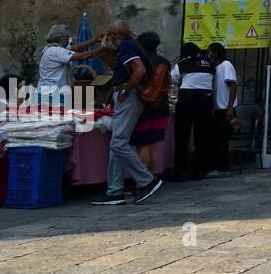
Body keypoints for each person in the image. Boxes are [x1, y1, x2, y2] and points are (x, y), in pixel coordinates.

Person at [91, 21, 162, 206]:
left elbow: (139, 69)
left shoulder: (127, 47)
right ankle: (114, 191)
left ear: (114, 35)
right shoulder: (131, 45)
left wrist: (124, 91)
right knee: (117, 143)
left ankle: (147, 181)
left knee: (118, 142)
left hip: (129, 98)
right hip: (129, 97)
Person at [170, 41, 216, 180]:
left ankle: (180, 170)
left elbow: (171, 78)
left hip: (187, 99)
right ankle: (200, 169)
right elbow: (212, 78)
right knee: (202, 135)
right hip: (205, 99)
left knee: (182, 134)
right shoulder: (210, 63)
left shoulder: (183, 63)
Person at [35, 23, 103, 107]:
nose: (68, 41)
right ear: (62, 39)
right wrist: (102, 49)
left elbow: (76, 47)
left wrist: (94, 41)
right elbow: (82, 56)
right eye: (67, 39)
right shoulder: (57, 51)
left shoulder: (49, 49)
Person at [132, 32, 171, 174]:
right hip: (160, 106)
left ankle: (143, 183)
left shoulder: (138, 61)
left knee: (142, 145)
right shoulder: (165, 62)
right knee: (153, 145)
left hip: (143, 106)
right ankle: (151, 178)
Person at [209, 42, 237, 176]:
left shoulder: (226, 65)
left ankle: (222, 167)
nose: (209, 55)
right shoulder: (215, 67)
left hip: (225, 108)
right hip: (218, 108)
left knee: (222, 138)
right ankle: (218, 165)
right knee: (217, 138)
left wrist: (230, 107)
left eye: (211, 52)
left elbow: (232, 85)